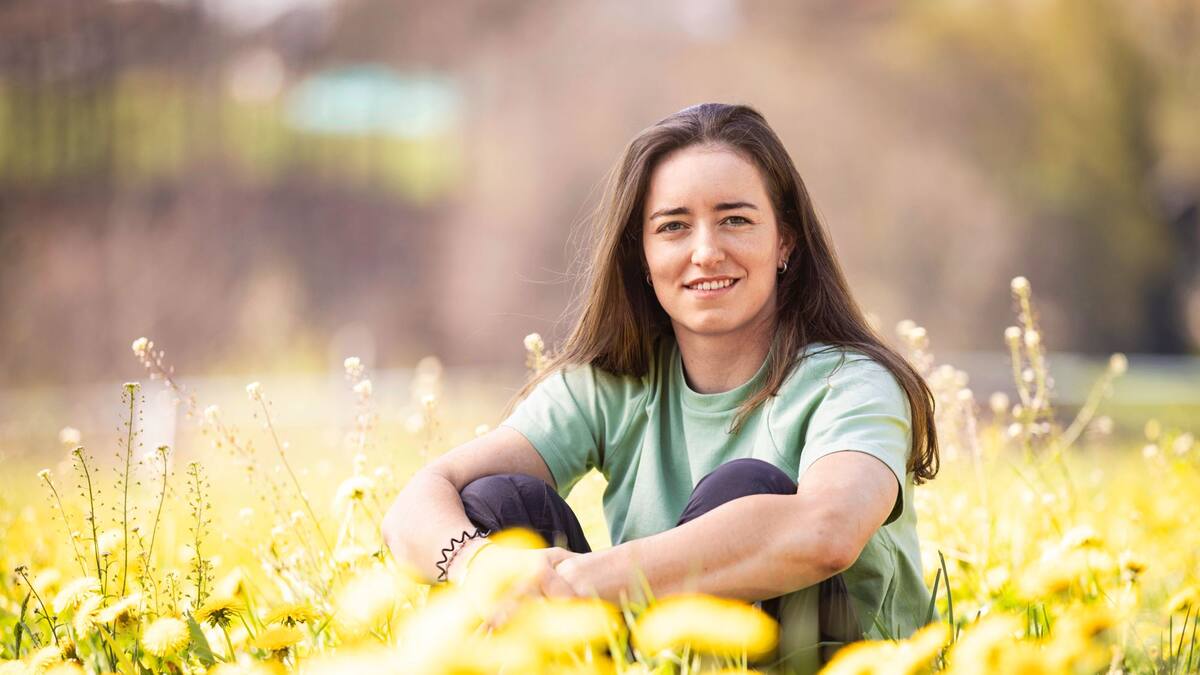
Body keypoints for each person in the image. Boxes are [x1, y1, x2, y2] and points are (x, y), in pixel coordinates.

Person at [381, 102, 939, 673]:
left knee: (745, 489)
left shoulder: (852, 382)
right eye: (673, 226)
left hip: (829, 664)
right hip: (654, 657)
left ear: (785, 242)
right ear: (643, 257)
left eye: (735, 220)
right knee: (498, 501)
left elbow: (827, 532)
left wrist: (585, 582)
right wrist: (483, 571)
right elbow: (415, 506)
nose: (706, 252)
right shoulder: (610, 385)